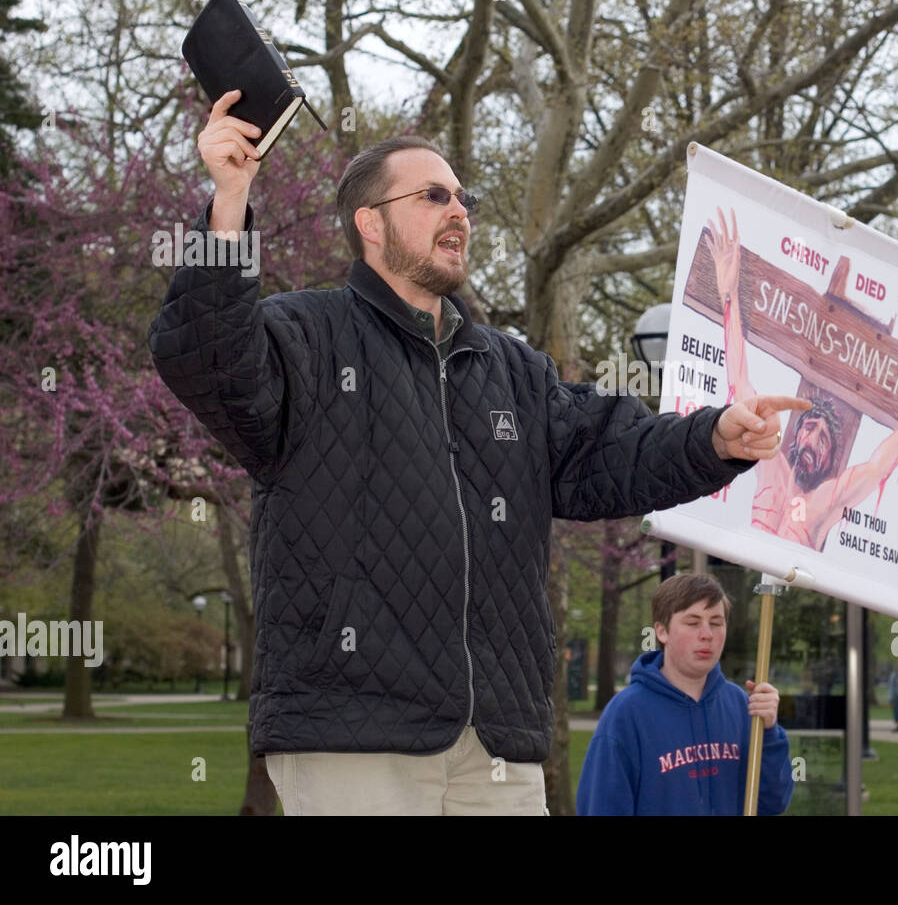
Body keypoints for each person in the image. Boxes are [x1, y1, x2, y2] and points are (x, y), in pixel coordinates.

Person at [148, 91, 811, 815]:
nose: (458, 211)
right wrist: (230, 201)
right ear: (370, 222)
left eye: (463, 197)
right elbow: (205, 357)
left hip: (497, 740)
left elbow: (609, 453)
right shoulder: (304, 336)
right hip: (352, 731)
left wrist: (714, 436)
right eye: (433, 195)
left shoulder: (512, 369)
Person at [704, 208, 898, 552]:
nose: (812, 438)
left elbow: (876, 468)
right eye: (809, 427)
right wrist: (729, 295)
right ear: (796, 432)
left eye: (823, 437)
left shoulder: (827, 500)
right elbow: (741, 384)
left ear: (832, 455)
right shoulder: (772, 469)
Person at [575, 573, 793, 815]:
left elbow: (772, 803)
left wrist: (769, 732)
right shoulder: (626, 713)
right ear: (661, 631)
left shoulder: (742, 705)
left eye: (716, 622)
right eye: (693, 622)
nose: (707, 634)